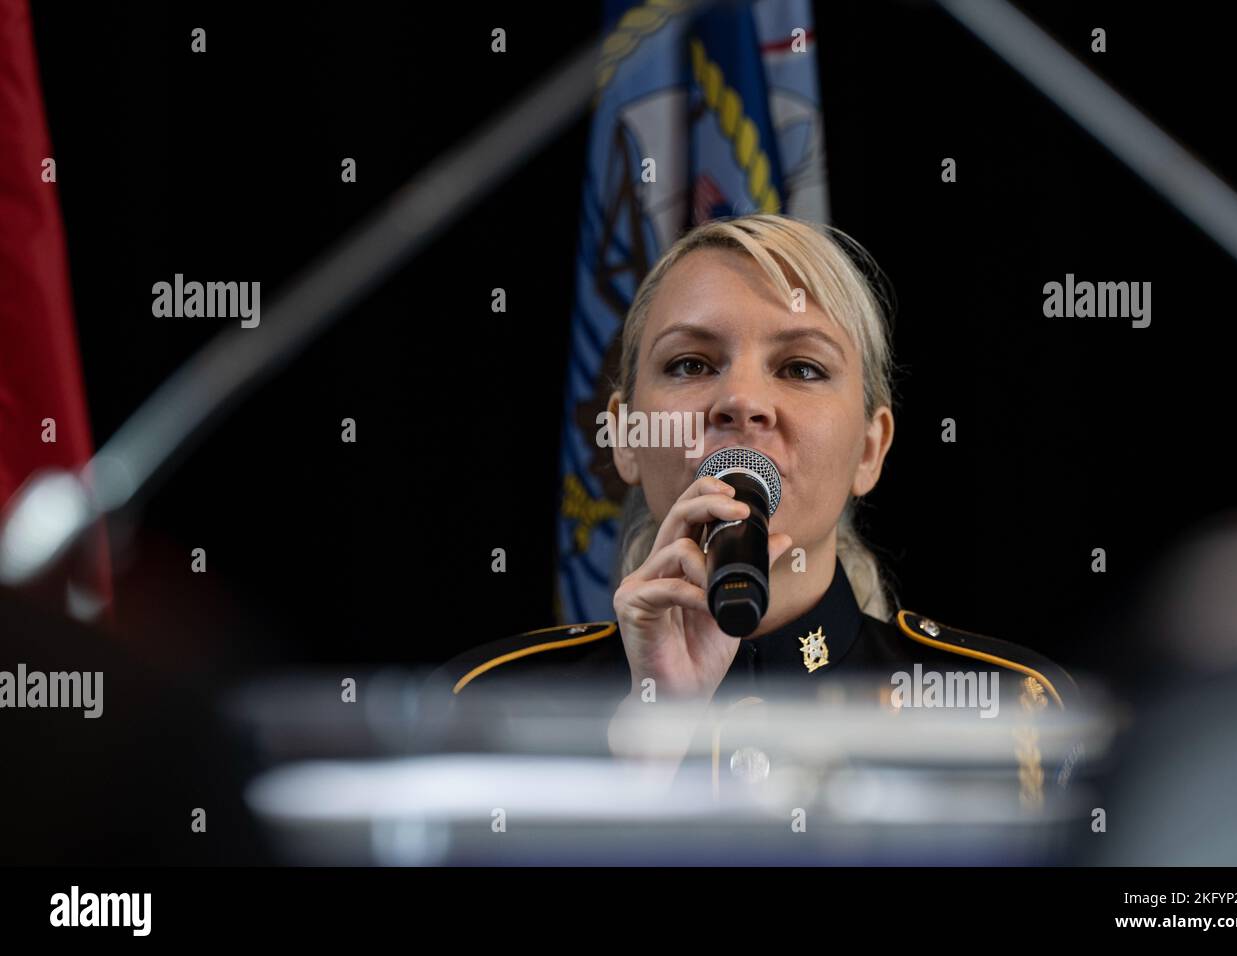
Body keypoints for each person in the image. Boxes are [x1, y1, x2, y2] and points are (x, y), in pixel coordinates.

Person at [439, 214, 1080, 795]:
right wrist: (649, 747)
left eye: (801, 368)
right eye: (691, 364)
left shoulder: (1011, 712)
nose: (741, 401)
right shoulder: (486, 706)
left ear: (869, 449)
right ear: (626, 437)